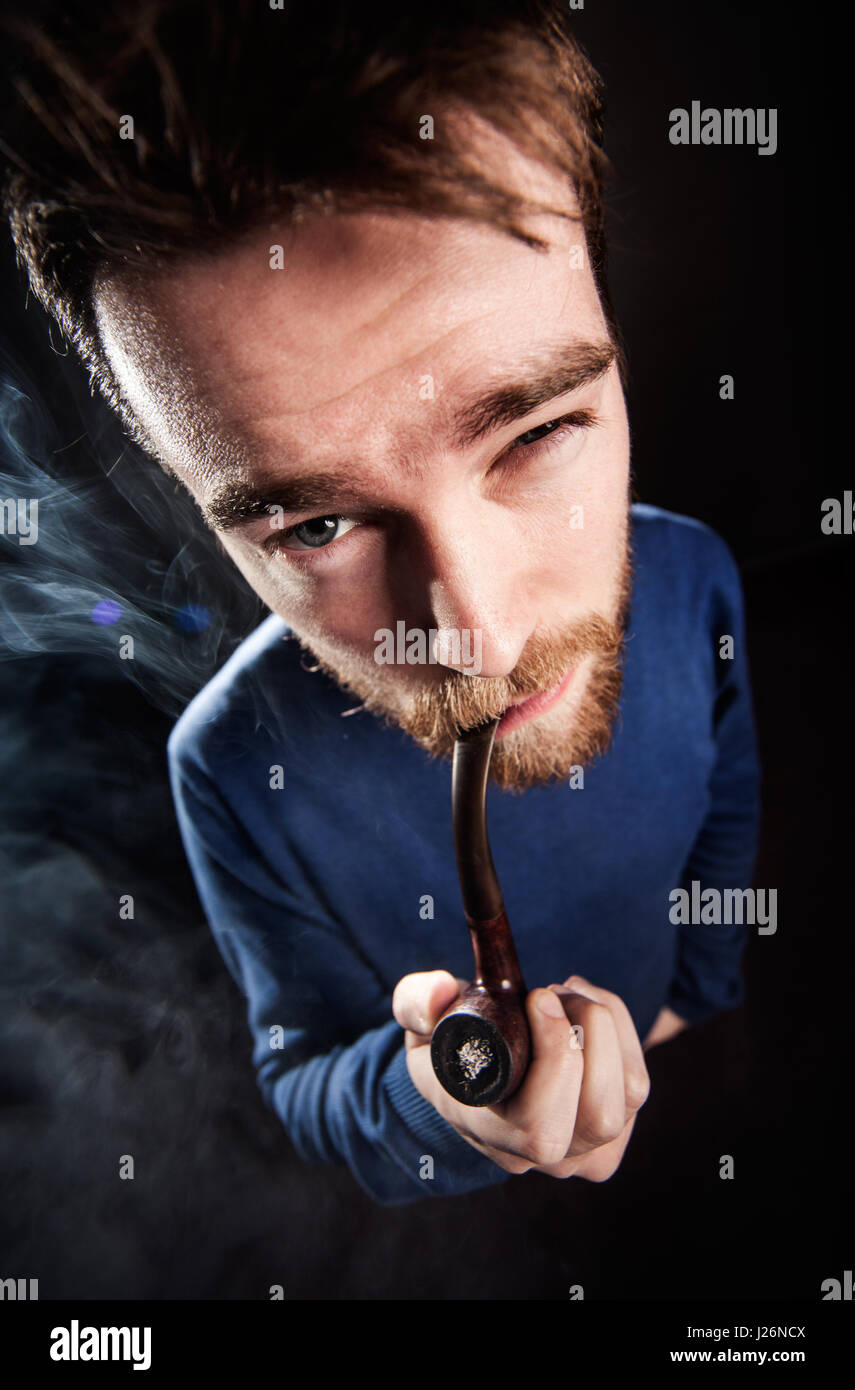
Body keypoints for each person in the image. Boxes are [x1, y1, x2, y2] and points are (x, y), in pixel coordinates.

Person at [1, 0, 760, 1204]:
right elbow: (302, 1076)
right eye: (315, 525)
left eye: (537, 429)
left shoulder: (694, 576)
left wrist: (694, 995)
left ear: (611, 322)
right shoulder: (230, 769)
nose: (482, 643)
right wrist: (440, 1102)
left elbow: (728, 820)